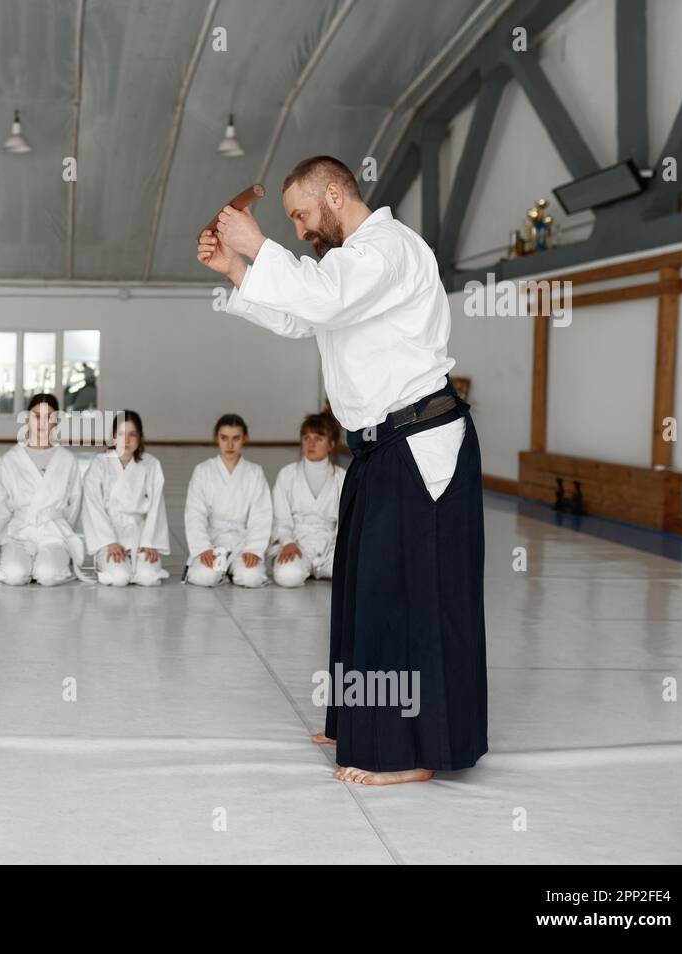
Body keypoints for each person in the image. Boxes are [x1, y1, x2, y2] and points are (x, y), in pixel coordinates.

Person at [200, 153, 487, 785]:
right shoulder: (348, 266)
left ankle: (408, 752)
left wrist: (259, 244)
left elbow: (321, 298)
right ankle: (358, 721)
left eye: (301, 214)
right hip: (378, 448)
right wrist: (236, 268)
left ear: (335, 192)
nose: (300, 230)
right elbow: (307, 316)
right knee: (361, 593)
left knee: (404, 601)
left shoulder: (387, 248)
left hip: (420, 447)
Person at [0, 393, 88, 586]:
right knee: (14, 575)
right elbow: (1, 505)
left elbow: (74, 504)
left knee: (48, 575)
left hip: (53, 532)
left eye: (49, 417)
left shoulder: (66, 459)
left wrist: (62, 528)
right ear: (27, 418)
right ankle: (15, 556)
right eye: (37, 416)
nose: (42, 423)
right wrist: (3, 539)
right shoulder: (11, 459)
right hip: (19, 531)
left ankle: (59, 556)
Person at [80, 409, 169, 586]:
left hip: (140, 535)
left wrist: (150, 541)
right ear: (113, 437)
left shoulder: (151, 465)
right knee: (120, 578)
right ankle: (109, 561)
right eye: (121, 434)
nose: (126, 440)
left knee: (148, 577)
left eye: (132, 434)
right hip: (110, 536)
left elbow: (157, 506)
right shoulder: (99, 464)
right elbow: (92, 506)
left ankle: (138, 562)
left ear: (140, 437)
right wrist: (109, 541)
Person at [183, 414, 272, 587]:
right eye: (224, 438)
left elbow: (261, 515)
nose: (230, 445)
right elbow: (195, 513)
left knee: (251, 578)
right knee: (204, 577)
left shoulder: (255, 472)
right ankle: (222, 571)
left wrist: (253, 549)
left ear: (245, 439)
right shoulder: (203, 471)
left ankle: (231, 570)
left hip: (243, 542)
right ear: (216, 438)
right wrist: (203, 548)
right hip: (213, 541)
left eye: (236, 438)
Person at [269, 411, 346, 588]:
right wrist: (287, 542)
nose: (311, 443)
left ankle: (323, 568)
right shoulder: (287, 475)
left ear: (331, 444)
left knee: (355, 572)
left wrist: (341, 551)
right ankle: (302, 567)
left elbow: (345, 523)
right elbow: (280, 517)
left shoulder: (342, 478)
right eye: (306, 438)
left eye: (318, 438)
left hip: (330, 546)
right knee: (287, 575)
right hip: (296, 543)